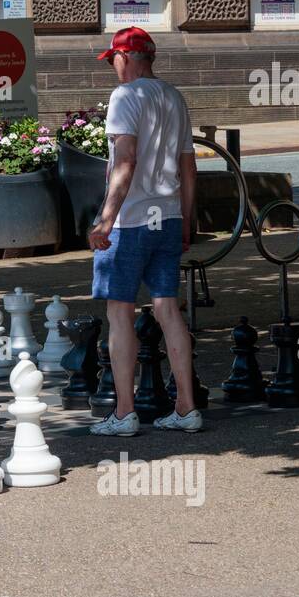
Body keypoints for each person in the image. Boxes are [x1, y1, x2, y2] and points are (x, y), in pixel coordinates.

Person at [86, 26, 201, 435]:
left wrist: (106, 219)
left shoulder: (125, 97)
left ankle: (124, 412)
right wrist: (186, 220)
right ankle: (186, 408)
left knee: (119, 312)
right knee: (168, 309)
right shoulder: (174, 97)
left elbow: (125, 161)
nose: (113, 67)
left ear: (126, 57)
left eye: (113, 59)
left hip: (132, 220)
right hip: (167, 216)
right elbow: (189, 167)